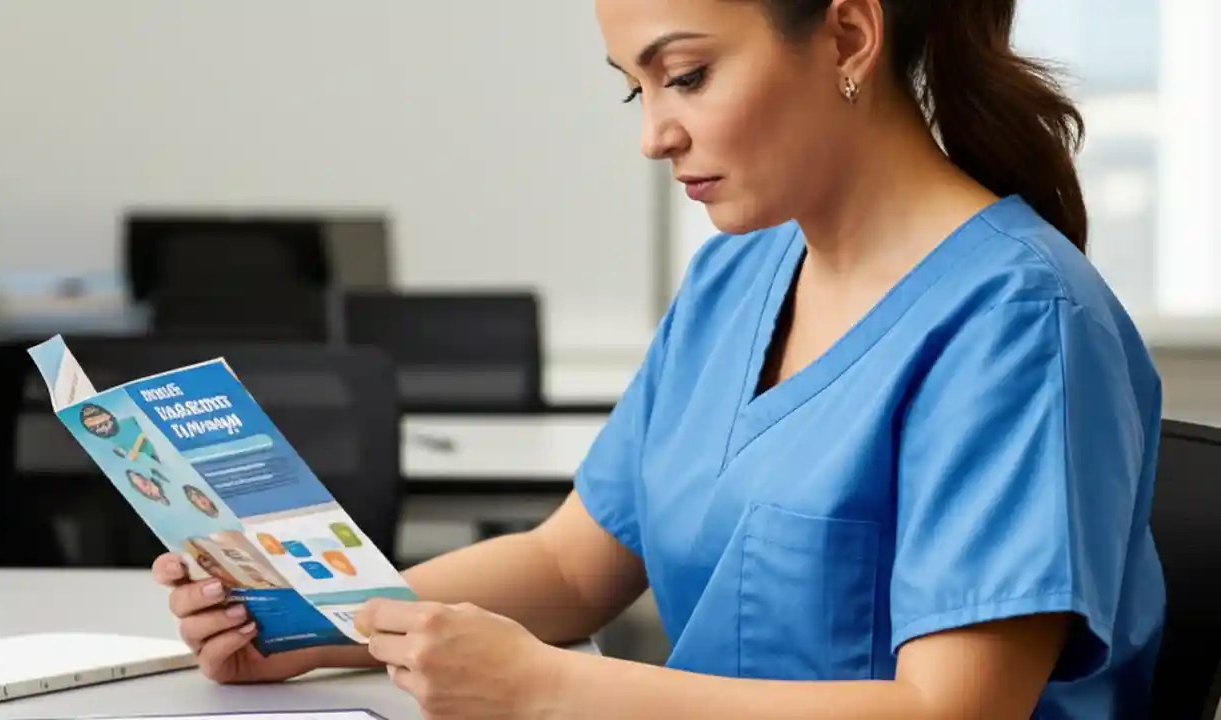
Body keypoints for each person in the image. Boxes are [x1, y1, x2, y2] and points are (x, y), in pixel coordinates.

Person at [152, 0, 1165, 716]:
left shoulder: (1015, 320)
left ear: (848, 35)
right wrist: (309, 624)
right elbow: (568, 564)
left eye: (684, 76)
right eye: (631, 88)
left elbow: (953, 713)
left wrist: (550, 693)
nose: (652, 135)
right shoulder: (740, 275)